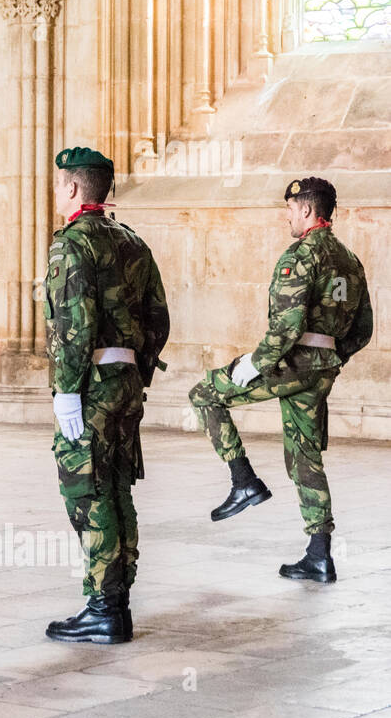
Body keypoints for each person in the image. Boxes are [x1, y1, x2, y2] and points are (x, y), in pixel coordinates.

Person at [189, 177, 373, 582]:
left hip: (292, 361)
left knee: (204, 393)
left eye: (291, 208)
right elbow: (363, 328)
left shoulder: (302, 255)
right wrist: (331, 358)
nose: (287, 215)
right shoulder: (349, 260)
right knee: (305, 455)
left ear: (307, 210)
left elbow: (287, 326)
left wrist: (254, 364)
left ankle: (244, 482)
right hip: (323, 367)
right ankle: (319, 554)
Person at [44, 147, 169, 644]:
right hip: (126, 384)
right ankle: (117, 603)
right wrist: (137, 370)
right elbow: (159, 319)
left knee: (87, 492)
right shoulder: (132, 242)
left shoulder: (71, 244)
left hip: (90, 384)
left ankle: (102, 607)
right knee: (117, 487)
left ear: (73, 188)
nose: (56, 194)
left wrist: (67, 391)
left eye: (58, 185)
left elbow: (73, 327)